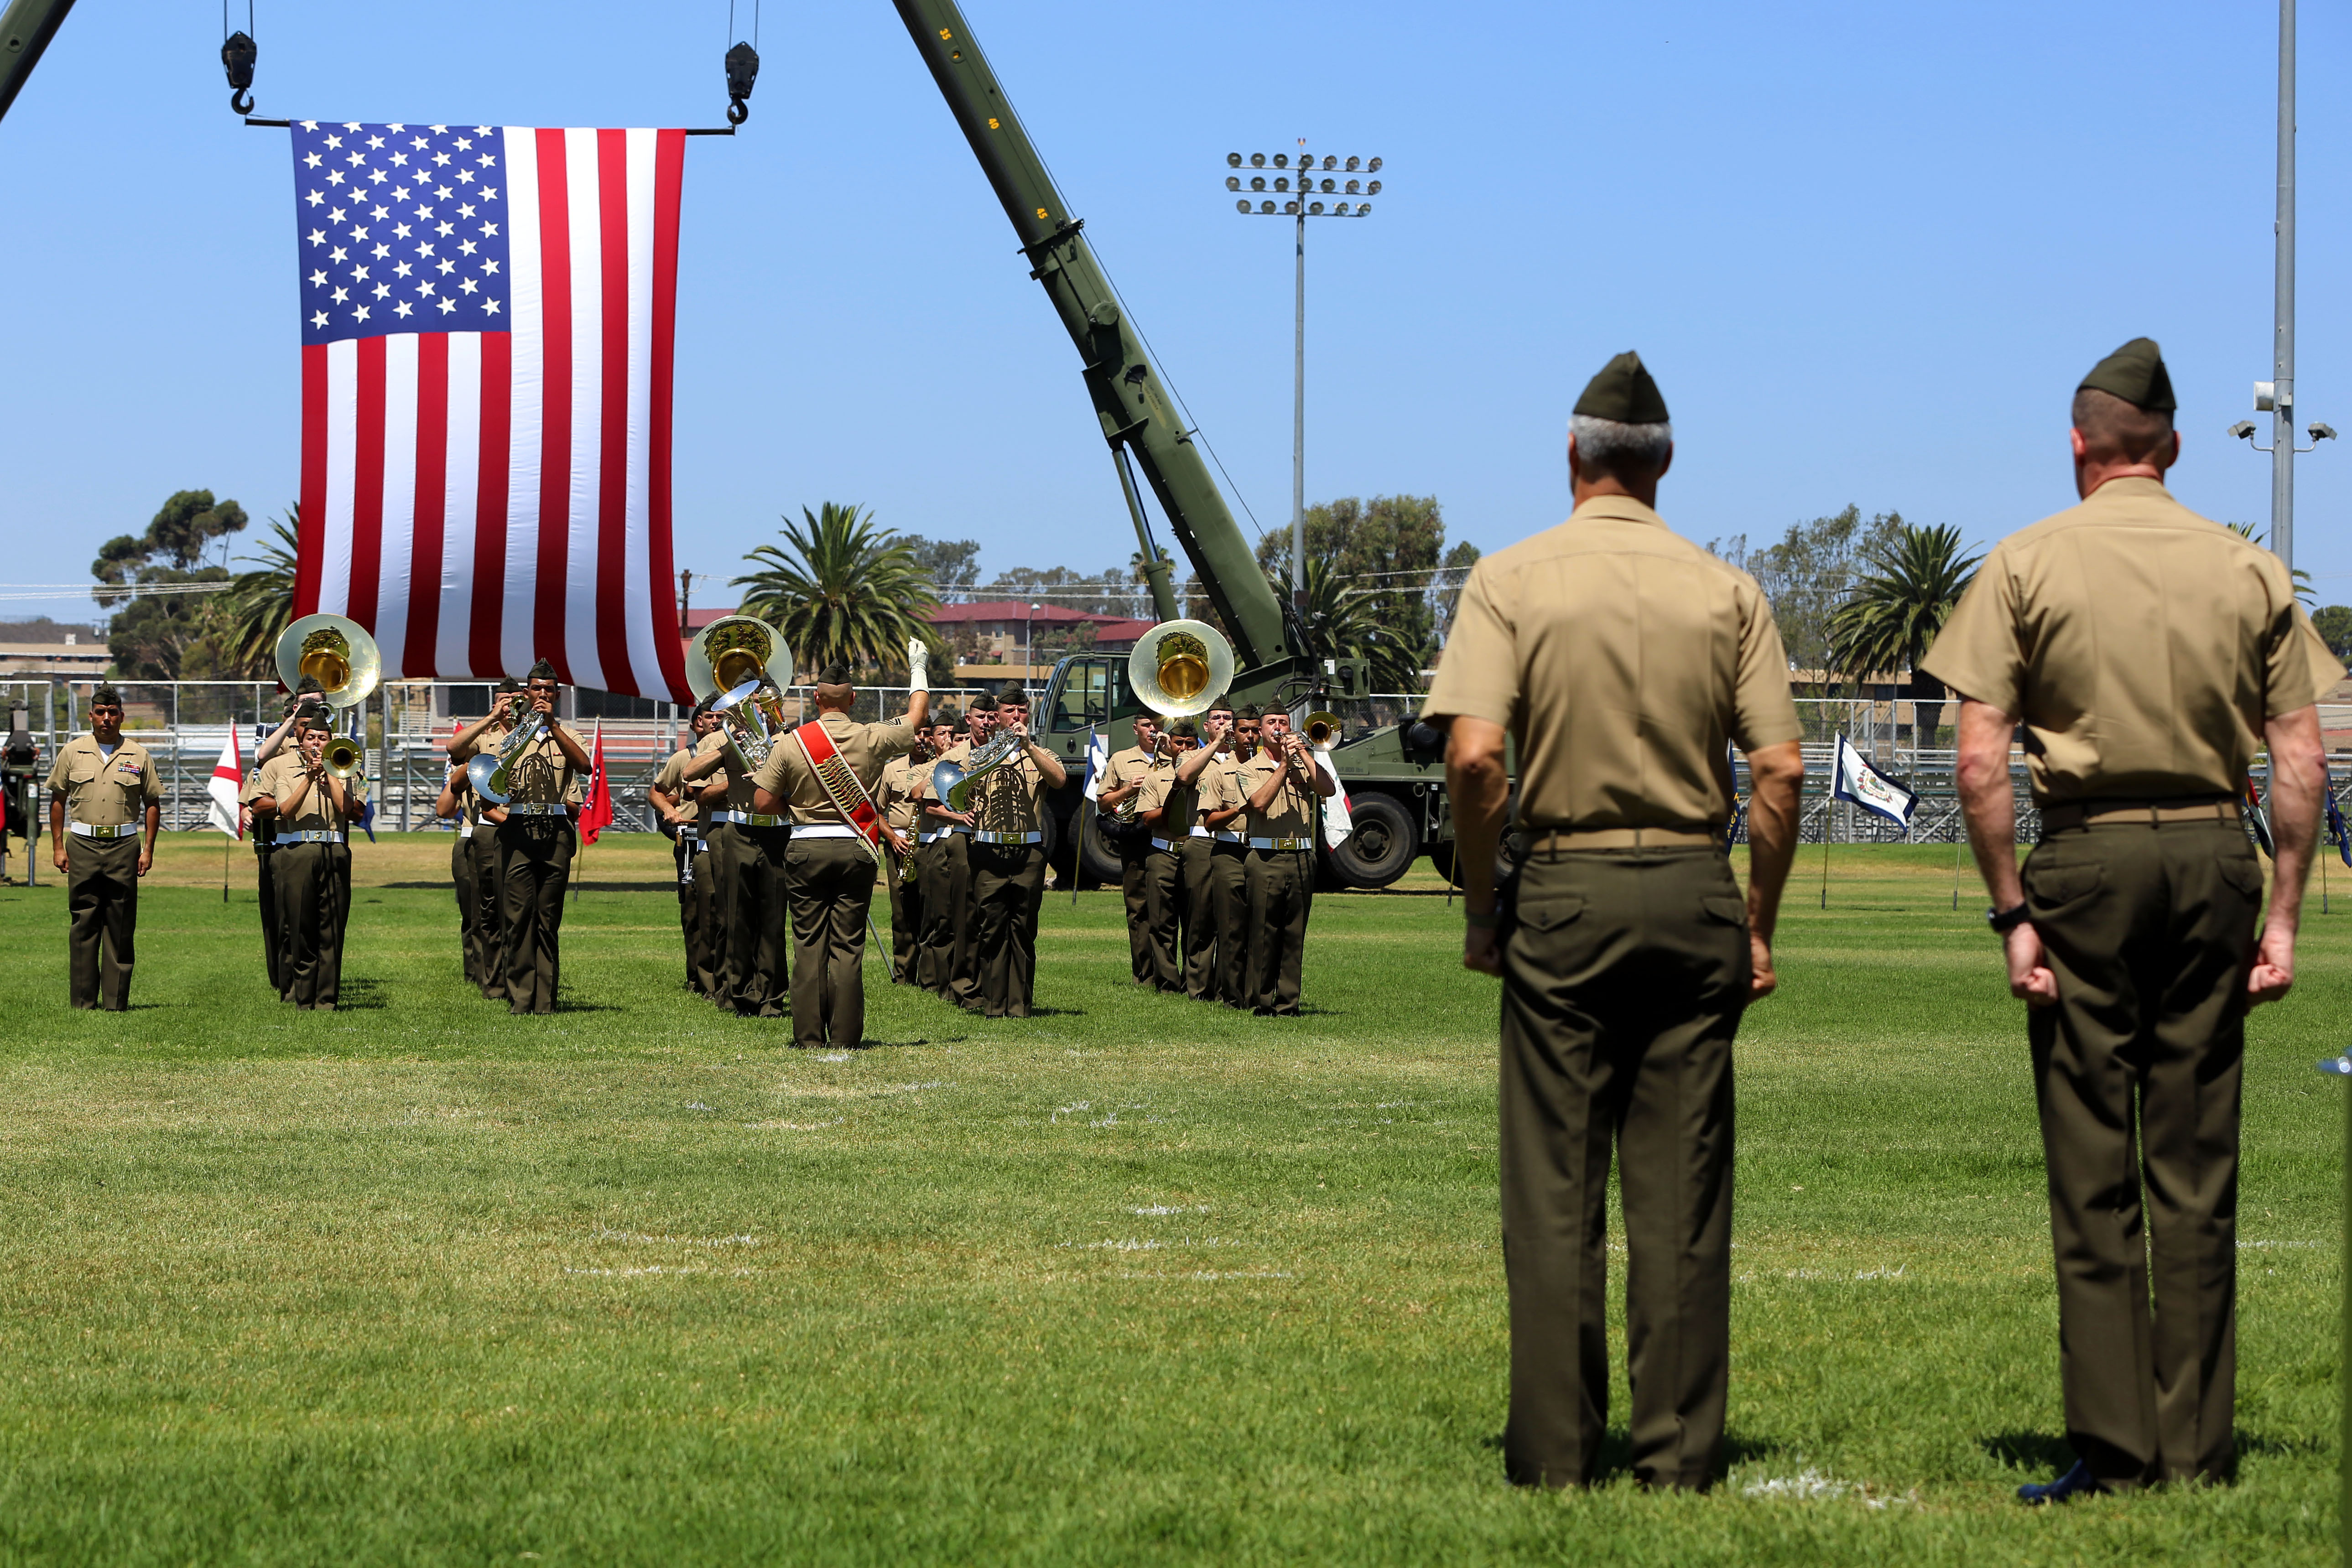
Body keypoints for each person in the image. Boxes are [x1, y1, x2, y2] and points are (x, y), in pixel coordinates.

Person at [1924, 338, 2340, 1503]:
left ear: (2077, 444)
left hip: (2085, 866)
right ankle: (2198, 1447)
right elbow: (2300, 761)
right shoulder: (2243, 570)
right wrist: (2287, 916)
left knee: (2093, 1166)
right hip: (2214, 852)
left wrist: (2011, 913)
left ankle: (2113, 1451)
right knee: (2196, 1167)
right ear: (2167, 444)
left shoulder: (2021, 562)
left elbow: (1974, 762)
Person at [1421, 350, 1806, 1491]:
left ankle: (1550, 1452)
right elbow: (1778, 770)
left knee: (1552, 1186)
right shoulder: (1727, 589)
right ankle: (1679, 1453)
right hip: (1692, 887)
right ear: (1664, 463)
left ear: (1571, 459)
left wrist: (1485, 905)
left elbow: (1475, 757)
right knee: (1680, 1189)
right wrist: (1757, 922)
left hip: (1564, 891)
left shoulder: (1510, 577)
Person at [751, 647, 931, 1047]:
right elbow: (917, 716)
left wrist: (797, 807)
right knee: (848, 945)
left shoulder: (791, 742)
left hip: (805, 849)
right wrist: (918, 667)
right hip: (856, 848)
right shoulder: (870, 736)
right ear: (852, 699)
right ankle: (846, 1037)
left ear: (816, 699)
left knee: (808, 943)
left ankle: (809, 1036)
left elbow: (763, 803)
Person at [451, 660, 590, 1014]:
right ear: (526, 694)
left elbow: (585, 765)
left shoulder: (569, 733)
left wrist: (552, 727)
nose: (542, 695)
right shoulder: (509, 738)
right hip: (515, 830)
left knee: (547, 918)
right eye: (536, 690)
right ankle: (521, 997)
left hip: (556, 831)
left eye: (548, 690)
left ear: (557, 696)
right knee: (517, 916)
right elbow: (459, 755)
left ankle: (544, 1001)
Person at [45, 685, 161, 1010]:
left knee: (121, 922)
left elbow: (152, 803)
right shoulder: (72, 752)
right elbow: (58, 800)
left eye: (113, 713)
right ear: (91, 715)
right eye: (100, 712)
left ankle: (116, 1001)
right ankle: (83, 1001)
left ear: (122, 716)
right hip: (82, 842)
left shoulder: (138, 754)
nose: (106, 719)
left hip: (124, 844)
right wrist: (58, 846)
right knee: (84, 921)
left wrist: (148, 849)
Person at [247, 712, 367, 1009]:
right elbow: (285, 810)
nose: (316, 743)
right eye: (311, 737)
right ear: (300, 741)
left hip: (334, 849)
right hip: (295, 850)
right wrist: (309, 779)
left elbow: (349, 809)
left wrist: (329, 773)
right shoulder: (278, 766)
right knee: (299, 924)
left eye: (323, 738)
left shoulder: (345, 767)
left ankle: (326, 999)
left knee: (332, 926)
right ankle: (302, 996)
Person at [684, 684, 791, 1017]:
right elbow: (689, 775)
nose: (755, 709)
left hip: (777, 831)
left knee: (773, 918)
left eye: (760, 702)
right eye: (750, 703)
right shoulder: (722, 736)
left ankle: (772, 998)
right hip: (739, 830)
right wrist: (729, 746)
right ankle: (738, 994)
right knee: (735, 916)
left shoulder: (788, 738)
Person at [961, 687, 1066, 1017]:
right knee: (991, 926)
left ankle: (1019, 1004)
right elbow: (955, 789)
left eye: (1022, 710)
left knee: (1023, 927)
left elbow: (1060, 780)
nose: (1016, 716)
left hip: (1029, 850)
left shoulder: (1041, 752)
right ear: (998, 715)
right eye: (1010, 711)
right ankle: (994, 1003)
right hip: (989, 848)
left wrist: (1029, 747)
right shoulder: (980, 756)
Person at [1229, 707, 1337, 1016]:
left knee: (1294, 934)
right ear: (1261, 731)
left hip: (1301, 855)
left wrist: (1303, 753)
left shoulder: (1302, 762)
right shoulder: (1249, 768)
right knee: (1264, 933)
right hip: (1265, 857)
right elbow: (1259, 804)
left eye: (1284, 723)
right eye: (1272, 723)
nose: (1279, 728)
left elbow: (1328, 789)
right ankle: (1261, 1001)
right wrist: (1284, 767)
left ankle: (1289, 1002)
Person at [919, 697, 996, 1004]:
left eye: (992, 716)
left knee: (985, 917)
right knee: (957, 918)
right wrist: (959, 816)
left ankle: (984, 983)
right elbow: (930, 806)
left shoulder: (1003, 753)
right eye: (981, 717)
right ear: (970, 719)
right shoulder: (952, 758)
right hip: (960, 840)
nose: (987, 722)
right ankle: (958, 986)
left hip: (993, 840)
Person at [1181, 703, 1259, 1006]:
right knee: (1201, 918)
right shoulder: (1195, 754)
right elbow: (1185, 776)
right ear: (1207, 726)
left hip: (1243, 843)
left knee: (1236, 921)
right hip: (1204, 841)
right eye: (1218, 720)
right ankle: (1200, 988)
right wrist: (1215, 746)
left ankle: (1233, 987)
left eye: (1229, 719)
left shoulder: (1252, 755)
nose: (1224, 724)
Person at [650, 702, 721, 997]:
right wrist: (669, 809)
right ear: (696, 724)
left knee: (719, 910)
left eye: (720, 716)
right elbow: (657, 792)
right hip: (691, 840)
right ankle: (697, 977)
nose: (715, 721)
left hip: (720, 834)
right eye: (709, 717)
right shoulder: (684, 758)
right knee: (693, 913)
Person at [1140, 718, 1212, 998]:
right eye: (1178, 743)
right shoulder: (1156, 777)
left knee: (1199, 921)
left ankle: (1197, 985)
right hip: (1164, 853)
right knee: (1161, 922)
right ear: (1169, 745)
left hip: (1197, 853)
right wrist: (1173, 796)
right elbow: (1147, 819)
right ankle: (1168, 984)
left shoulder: (1209, 775)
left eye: (1190, 744)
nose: (1183, 748)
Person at [1095, 713, 1170, 986]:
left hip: (1168, 836)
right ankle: (1145, 973)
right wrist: (1127, 790)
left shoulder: (1177, 755)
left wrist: (1171, 755)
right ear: (1135, 728)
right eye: (1148, 725)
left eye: (1159, 725)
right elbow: (1103, 804)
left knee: (1169, 909)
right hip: (1135, 838)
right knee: (1138, 907)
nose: (1153, 730)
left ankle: (1170, 973)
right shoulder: (1121, 759)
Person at [878, 721, 938, 983]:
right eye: (916, 734)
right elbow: (874, 811)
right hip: (900, 844)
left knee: (932, 910)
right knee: (902, 910)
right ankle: (904, 973)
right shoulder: (891, 770)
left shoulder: (943, 767)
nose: (921, 739)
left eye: (927, 734)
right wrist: (892, 837)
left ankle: (931, 973)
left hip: (932, 843)